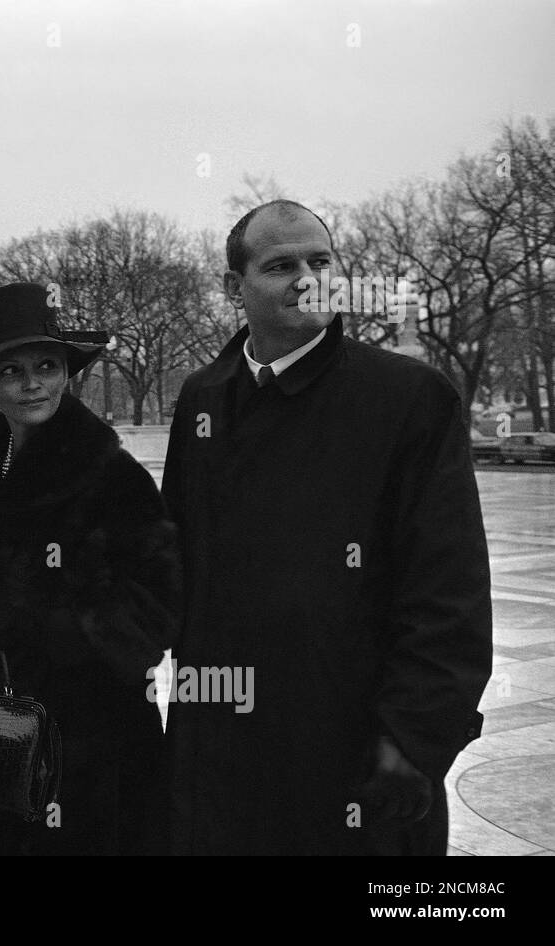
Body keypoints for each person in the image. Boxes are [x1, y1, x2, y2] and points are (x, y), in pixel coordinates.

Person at [162, 200, 493, 855]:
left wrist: (412, 742)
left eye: (320, 262)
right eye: (282, 266)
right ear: (236, 288)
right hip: (221, 759)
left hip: (354, 760)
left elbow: (449, 594)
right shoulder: (202, 399)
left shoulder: (409, 397)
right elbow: (174, 566)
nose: (308, 279)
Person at [0, 282, 181, 855]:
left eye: (46, 365)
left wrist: (51, 631)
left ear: (67, 373)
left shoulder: (111, 476)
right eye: (11, 371)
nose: (31, 382)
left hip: (90, 739)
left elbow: (157, 605)